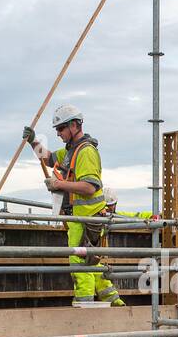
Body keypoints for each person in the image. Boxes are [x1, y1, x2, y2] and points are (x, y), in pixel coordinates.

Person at [23, 105, 123, 307]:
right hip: (80, 219)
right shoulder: (71, 151)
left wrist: (58, 184)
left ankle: (84, 307)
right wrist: (33, 142)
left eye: (60, 129)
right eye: (57, 130)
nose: (58, 134)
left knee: (80, 265)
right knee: (90, 263)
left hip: (89, 219)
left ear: (74, 125)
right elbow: (49, 158)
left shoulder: (86, 152)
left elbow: (89, 186)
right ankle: (113, 302)